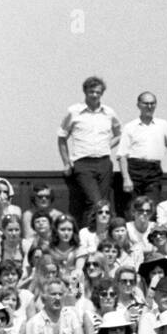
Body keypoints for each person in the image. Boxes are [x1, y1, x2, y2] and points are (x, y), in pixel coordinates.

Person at [57, 75, 121, 226]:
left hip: (104, 162)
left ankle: (99, 237)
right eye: (91, 91)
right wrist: (66, 163)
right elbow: (61, 138)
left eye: (98, 92)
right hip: (82, 163)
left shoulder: (109, 113)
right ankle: (89, 236)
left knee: (103, 204)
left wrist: (107, 145)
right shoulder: (74, 112)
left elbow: (119, 134)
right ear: (85, 92)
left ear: (102, 94)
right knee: (95, 202)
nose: (94, 95)